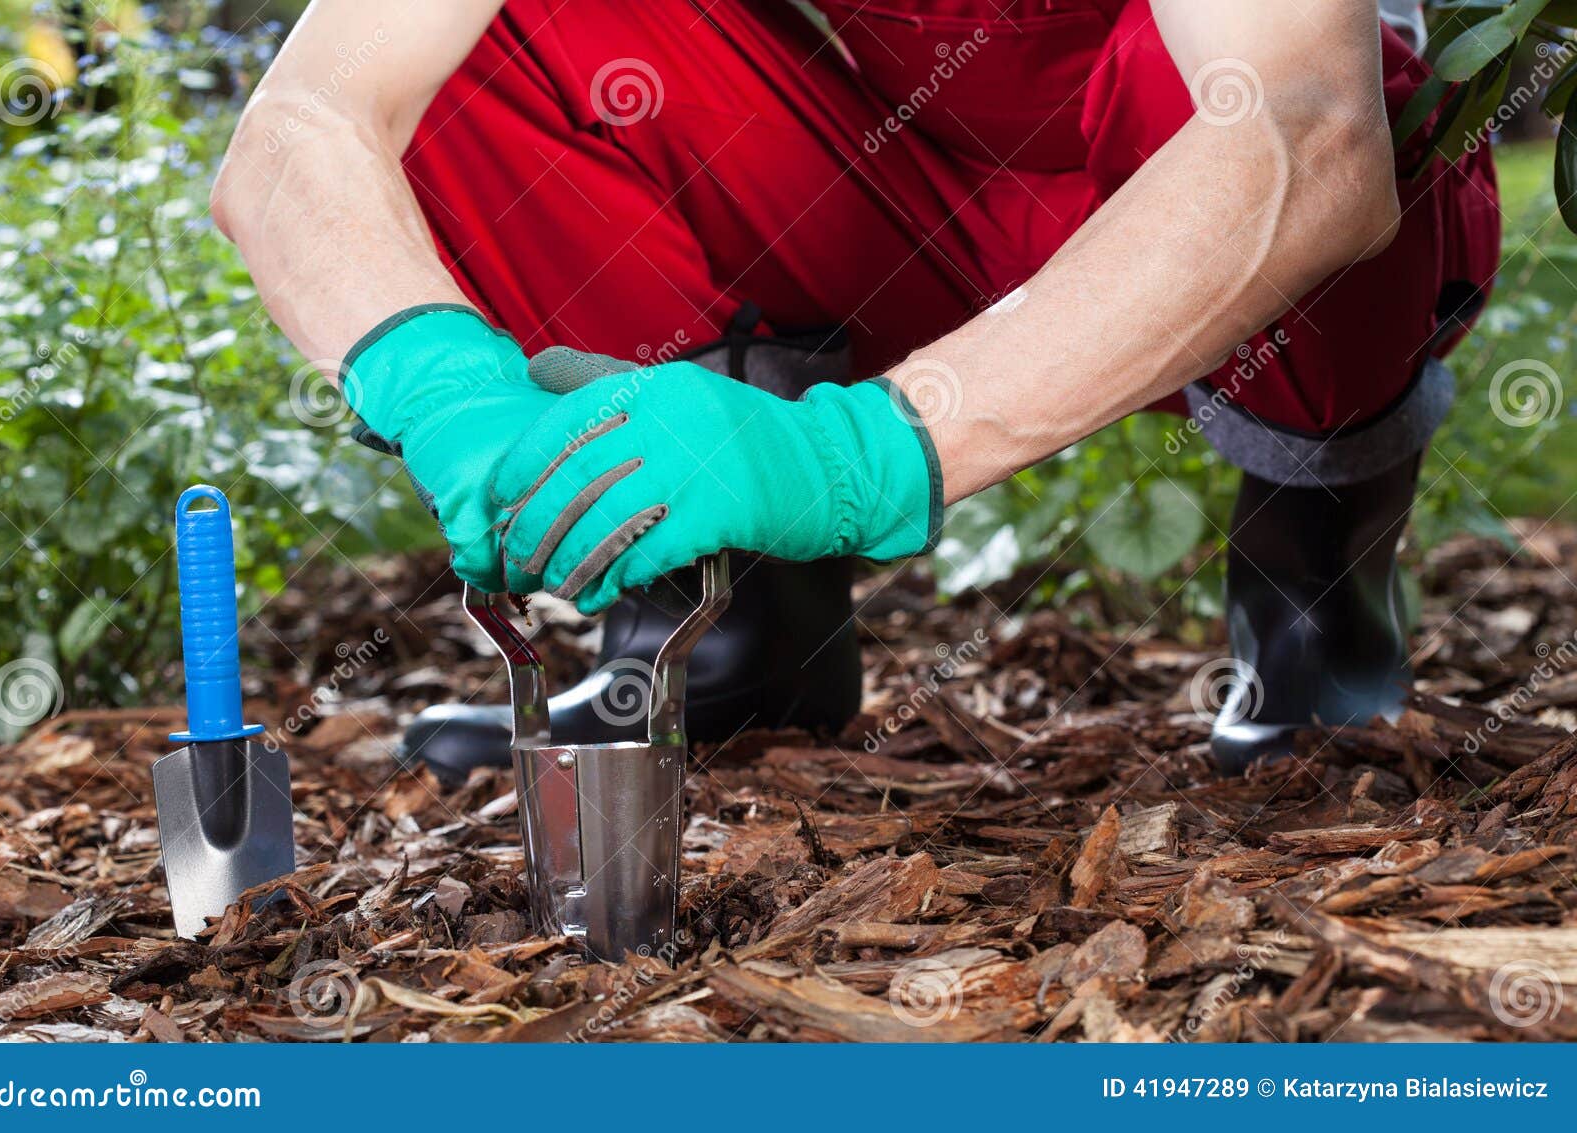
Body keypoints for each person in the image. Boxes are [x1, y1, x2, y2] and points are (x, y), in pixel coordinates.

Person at [212, 0, 1498, 777]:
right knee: (505, 36)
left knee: (1315, 87)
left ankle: (1312, 595)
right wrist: (436, 380)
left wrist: (864, 455)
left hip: (1210, 205)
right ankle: (731, 628)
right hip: (887, 185)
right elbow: (301, 127)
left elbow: (1310, 134)